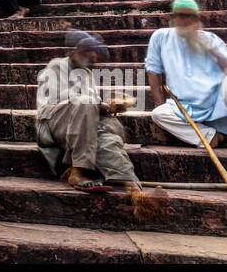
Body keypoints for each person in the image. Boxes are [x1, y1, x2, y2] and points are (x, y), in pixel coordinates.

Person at [35, 33, 148, 198]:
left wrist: (111, 107)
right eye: (89, 56)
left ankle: (132, 185)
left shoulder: (87, 74)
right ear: (79, 51)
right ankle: (78, 170)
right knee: (86, 104)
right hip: (52, 122)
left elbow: (92, 105)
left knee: (109, 131)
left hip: (80, 124)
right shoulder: (56, 66)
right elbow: (64, 99)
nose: (92, 62)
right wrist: (99, 105)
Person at [145, 0, 227, 149]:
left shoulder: (209, 38)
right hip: (184, 105)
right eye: (181, 15)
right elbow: (153, 71)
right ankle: (212, 136)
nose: (186, 20)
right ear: (173, 17)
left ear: (197, 18)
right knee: (158, 114)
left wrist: (211, 50)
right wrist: (160, 105)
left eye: (191, 16)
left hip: (217, 100)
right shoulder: (161, 37)